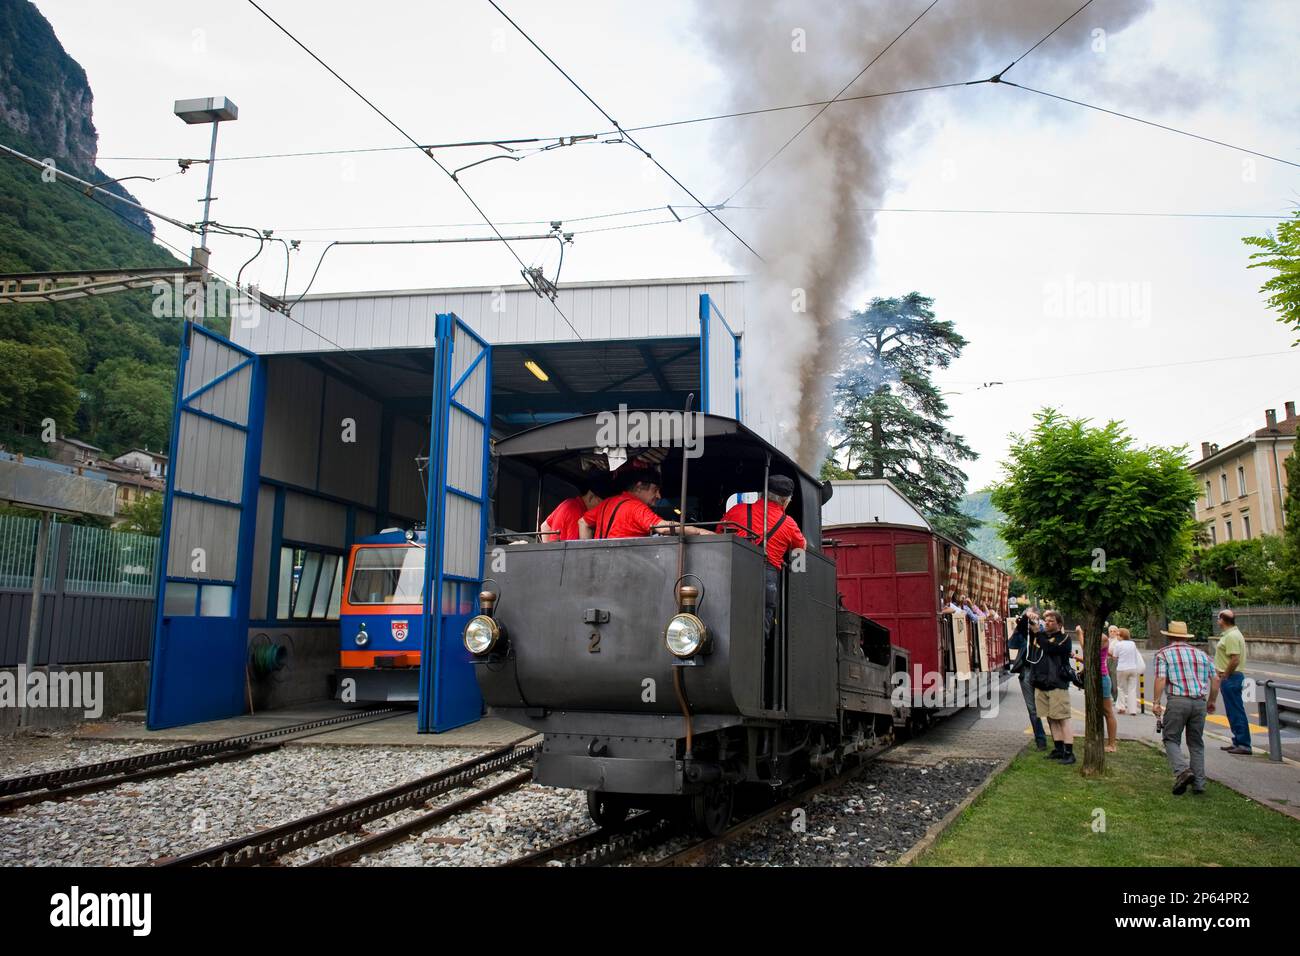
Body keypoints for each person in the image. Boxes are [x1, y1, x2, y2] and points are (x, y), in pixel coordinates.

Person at [717, 474, 807, 636]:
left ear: (764, 494)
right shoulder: (789, 524)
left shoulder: (736, 510)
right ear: (785, 501)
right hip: (766, 577)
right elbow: (801, 548)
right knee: (758, 632)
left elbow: (718, 535)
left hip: (730, 572)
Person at [1152, 621, 1219, 796]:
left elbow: (1160, 679)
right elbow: (1216, 679)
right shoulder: (1202, 655)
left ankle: (1182, 771)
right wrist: (1211, 701)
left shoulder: (1163, 654)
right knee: (1196, 742)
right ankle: (1199, 784)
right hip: (1199, 702)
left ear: (1169, 636)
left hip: (1178, 701)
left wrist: (1156, 701)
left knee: (1171, 738)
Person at [578, 469, 714, 540]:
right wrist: (699, 531)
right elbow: (664, 528)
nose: (658, 496)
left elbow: (583, 522)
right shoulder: (636, 507)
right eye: (655, 490)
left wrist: (586, 554)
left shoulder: (608, 502)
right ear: (639, 487)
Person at [1030, 610, 1076, 765]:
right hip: (1041, 683)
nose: (1047, 623)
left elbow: (1050, 649)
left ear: (1059, 624)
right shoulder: (1041, 637)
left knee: (1062, 718)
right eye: (1045, 620)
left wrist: (1038, 633)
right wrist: (1028, 621)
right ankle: (1058, 749)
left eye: (1051, 620)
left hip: (1057, 683)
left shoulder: (1064, 639)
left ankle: (1069, 752)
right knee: (1050, 718)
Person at [1008, 611, 1048, 751]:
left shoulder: (1044, 632)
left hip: (1042, 674)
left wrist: (1036, 629)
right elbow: (1011, 644)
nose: (1032, 621)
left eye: (1035, 618)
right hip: (1027, 672)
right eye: (1030, 619)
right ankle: (1040, 741)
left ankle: (1059, 741)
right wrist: (1021, 626)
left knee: (1048, 709)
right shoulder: (1024, 634)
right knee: (1032, 709)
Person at [1074, 625, 1118, 753]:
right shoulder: (1092, 636)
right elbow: (1090, 660)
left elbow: (1088, 652)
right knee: (1093, 710)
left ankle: (1112, 744)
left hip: (1102, 678)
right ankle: (1096, 739)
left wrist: (1079, 635)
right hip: (1092, 677)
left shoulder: (1102, 638)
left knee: (1107, 711)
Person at [1214, 609, 1251, 755]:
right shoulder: (1231, 634)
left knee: (1236, 711)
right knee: (1232, 711)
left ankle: (1243, 743)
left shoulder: (1231, 636)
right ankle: (1238, 741)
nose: (1217, 620)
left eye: (1218, 618)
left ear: (1223, 620)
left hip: (1231, 677)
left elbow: (1235, 659)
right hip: (1231, 677)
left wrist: (1225, 675)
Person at [540, 478, 605, 542]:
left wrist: (550, 550)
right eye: (600, 504)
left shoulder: (567, 502)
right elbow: (573, 546)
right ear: (591, 497)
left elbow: (545, 527)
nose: (599, 509)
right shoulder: (578, 514)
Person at [1111, 627, 1142, 714]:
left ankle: (1121, 707)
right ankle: (1133, 710)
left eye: (1117, 634)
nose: (1116, 636)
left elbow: (1114, 657)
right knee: (1132, 689)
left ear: (1121, 636)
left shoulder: (1118, 645)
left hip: (1122, 668)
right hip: (1133, 668)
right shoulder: (1132, 644)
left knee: (1121, 688)